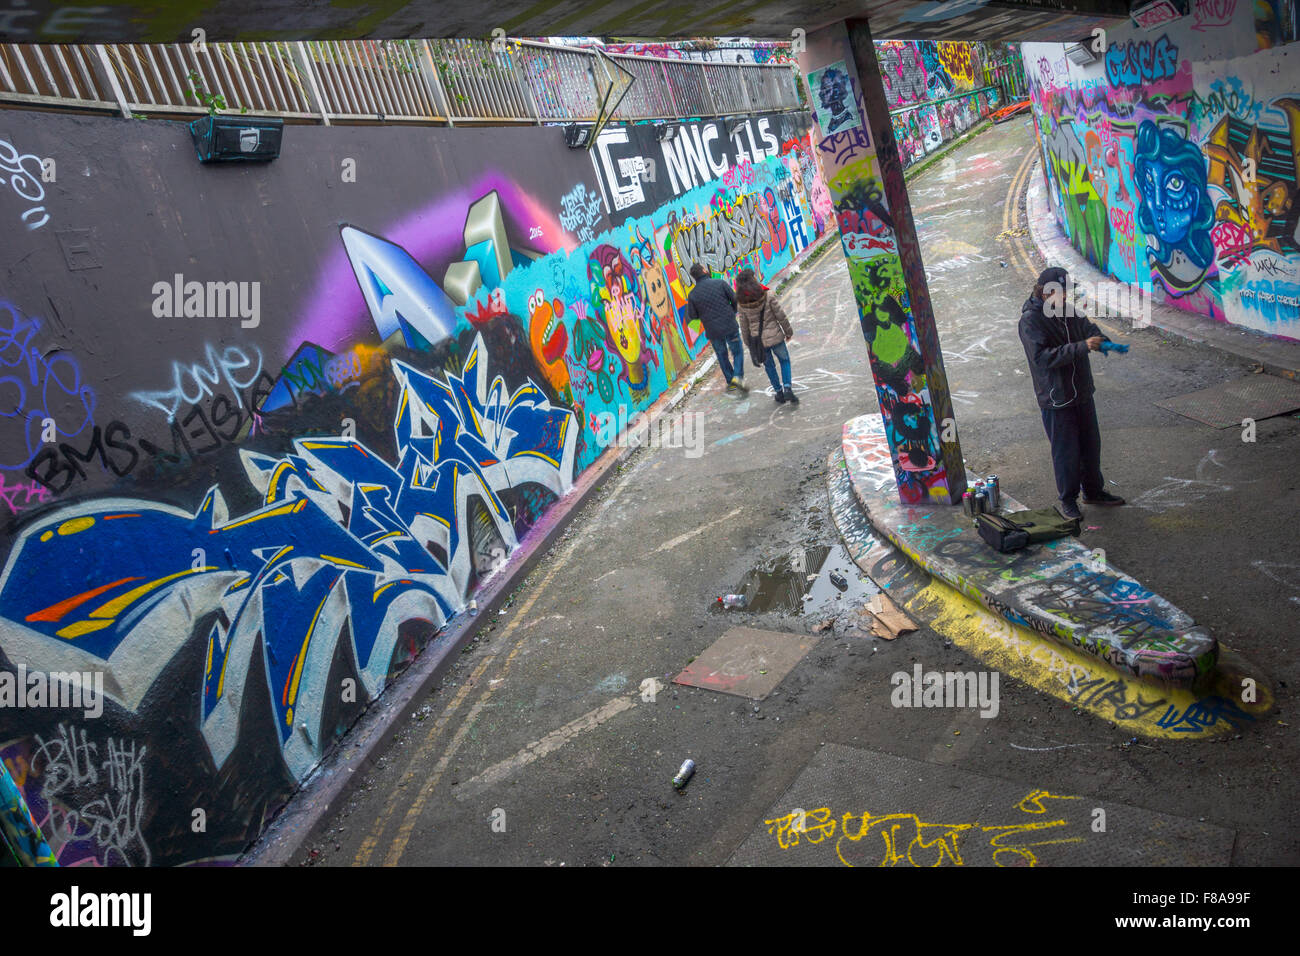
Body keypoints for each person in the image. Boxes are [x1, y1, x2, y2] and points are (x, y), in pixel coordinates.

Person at [1018, 266, 1126, 520]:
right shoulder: (1030, 321)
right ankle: (1068, 500)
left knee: (1091, 446)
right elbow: (1041, 358)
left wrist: (1102, 341)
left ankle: (1093, 491)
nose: (1065, 298)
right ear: (1045, 294)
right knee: (1066, 452)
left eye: (1067, 293)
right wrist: (1080, 347)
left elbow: (1087, 329)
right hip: (1057, 399)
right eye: (1061, 294)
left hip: (1082, 392)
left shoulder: (1067, 311)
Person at [735, 268, 797, 404]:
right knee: (784, 361)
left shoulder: (741, 304)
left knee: (769, 367)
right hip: (776, 337)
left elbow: (744, 327)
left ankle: (779, 393)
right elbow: (780, 315)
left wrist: (749, 344)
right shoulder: (767, 295)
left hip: (759, 343)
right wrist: (788, 332)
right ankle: (787, 388)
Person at [685, 263, 747, 394]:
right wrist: (732, 311)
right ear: (703, 270)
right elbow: (735, 299)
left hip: (712, 330)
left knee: (722, 355)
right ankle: (737, 377)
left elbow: (693, 315)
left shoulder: (693, 295)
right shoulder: (720, 283)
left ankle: (731, 380)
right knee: (737, 351)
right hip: (729, 324)